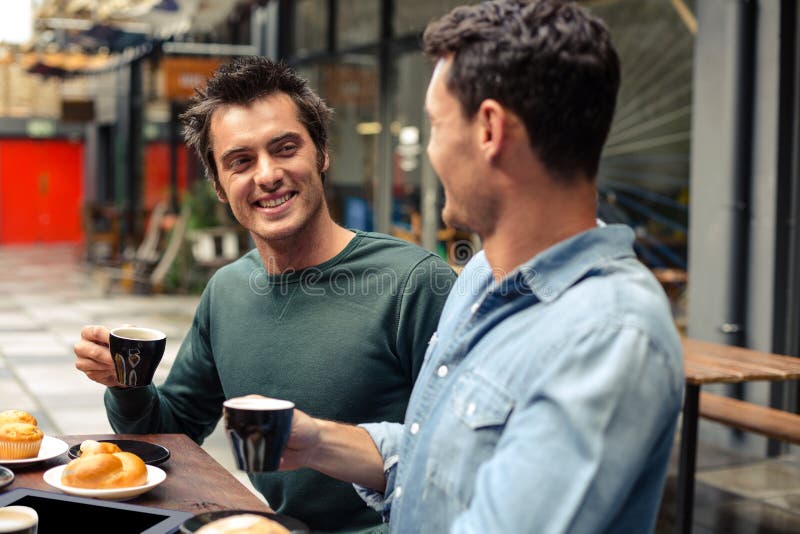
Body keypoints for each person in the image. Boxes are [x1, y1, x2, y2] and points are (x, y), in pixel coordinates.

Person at [277, 1, 684, 532]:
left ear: (490, 129)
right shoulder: (481, 276)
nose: (430, 152)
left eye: (437, 127)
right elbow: (442, 464)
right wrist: (316, 441)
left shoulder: (607, 337)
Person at [73, 57, 456, 533]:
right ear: (218, 184)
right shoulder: (227, 291)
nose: (267, 174)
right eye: (241, 161)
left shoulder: (413, 284)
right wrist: (127, 385)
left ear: (321, 154)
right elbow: (169, 437)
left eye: (285, 148)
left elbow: (464, 463)